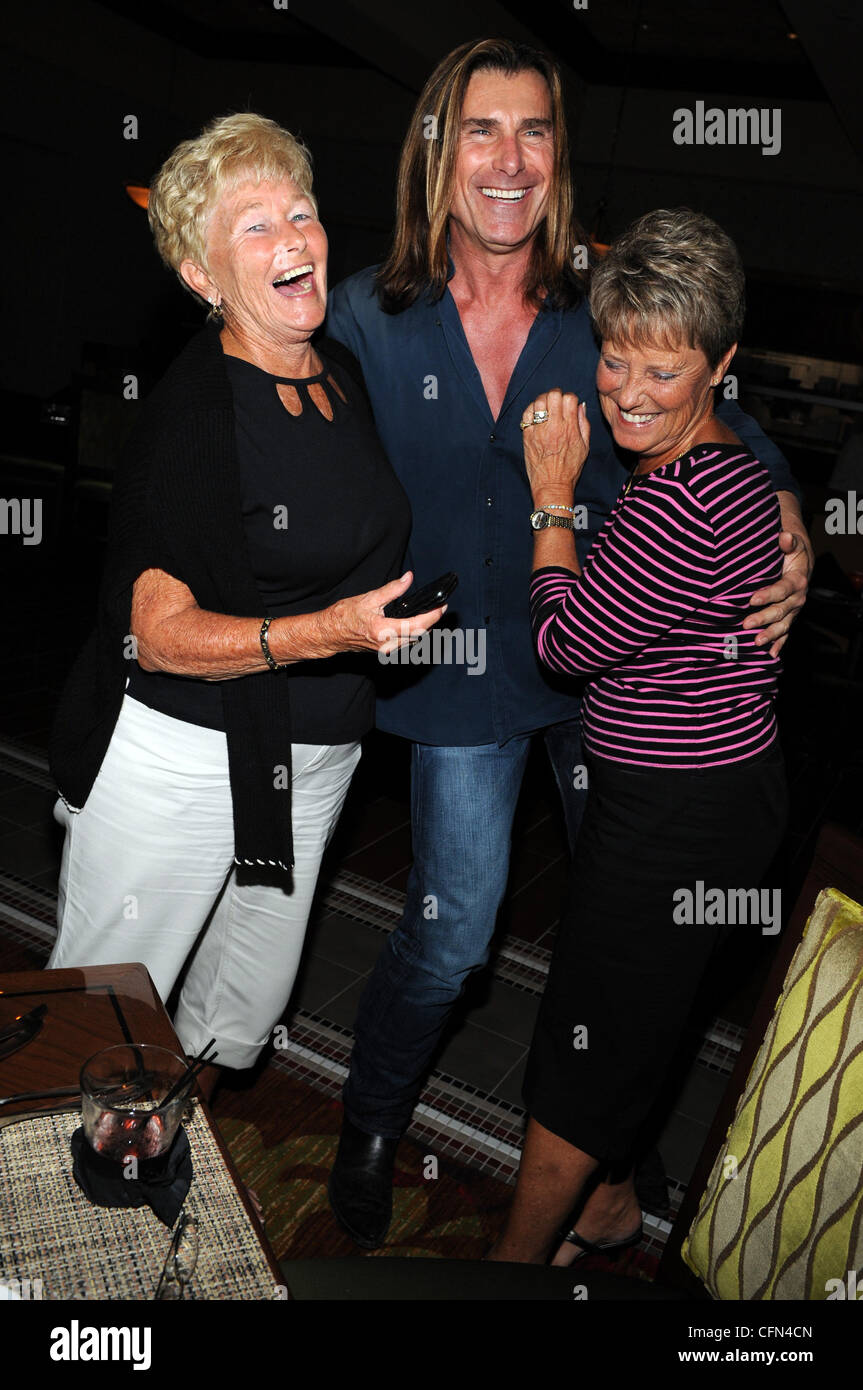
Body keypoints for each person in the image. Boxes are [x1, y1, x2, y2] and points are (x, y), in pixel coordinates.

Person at [325, 38, 811, 1250]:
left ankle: (600, 1157)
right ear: (433, 153)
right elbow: (272, 433)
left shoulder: (594, 299)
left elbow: (713, 401)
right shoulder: (366, 315)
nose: (508, 158)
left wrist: (784, 504)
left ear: (558, 155)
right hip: (457, 682)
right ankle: (371, 1122)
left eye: (532, 129)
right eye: (478, 130)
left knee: (628, 939)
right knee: (452, 934)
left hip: (606, 685)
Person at [47, 113, 444, 1097]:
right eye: (254, 226)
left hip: (313, 761)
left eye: (298, 212)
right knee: (104, 1015)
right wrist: (327, 633)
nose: (292, 239)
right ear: (203, 276)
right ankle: (52, 1186)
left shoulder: (339, 375)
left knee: (233, 1011)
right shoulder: (193, 415)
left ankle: (173, 1155)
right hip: (181, 758)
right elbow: (156, 634)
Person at [487, 207, 789, 1264]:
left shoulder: (679, 504)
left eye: (662, 372)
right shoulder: (722, 469)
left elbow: (563, 644)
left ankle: (510, 1270)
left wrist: (549, 498)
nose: (625, 393)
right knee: (632, 1017)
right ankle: (610, 1204)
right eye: (615, 359)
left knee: (591, 1042)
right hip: (710, 793)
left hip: (675, 816)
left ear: (721, 364)